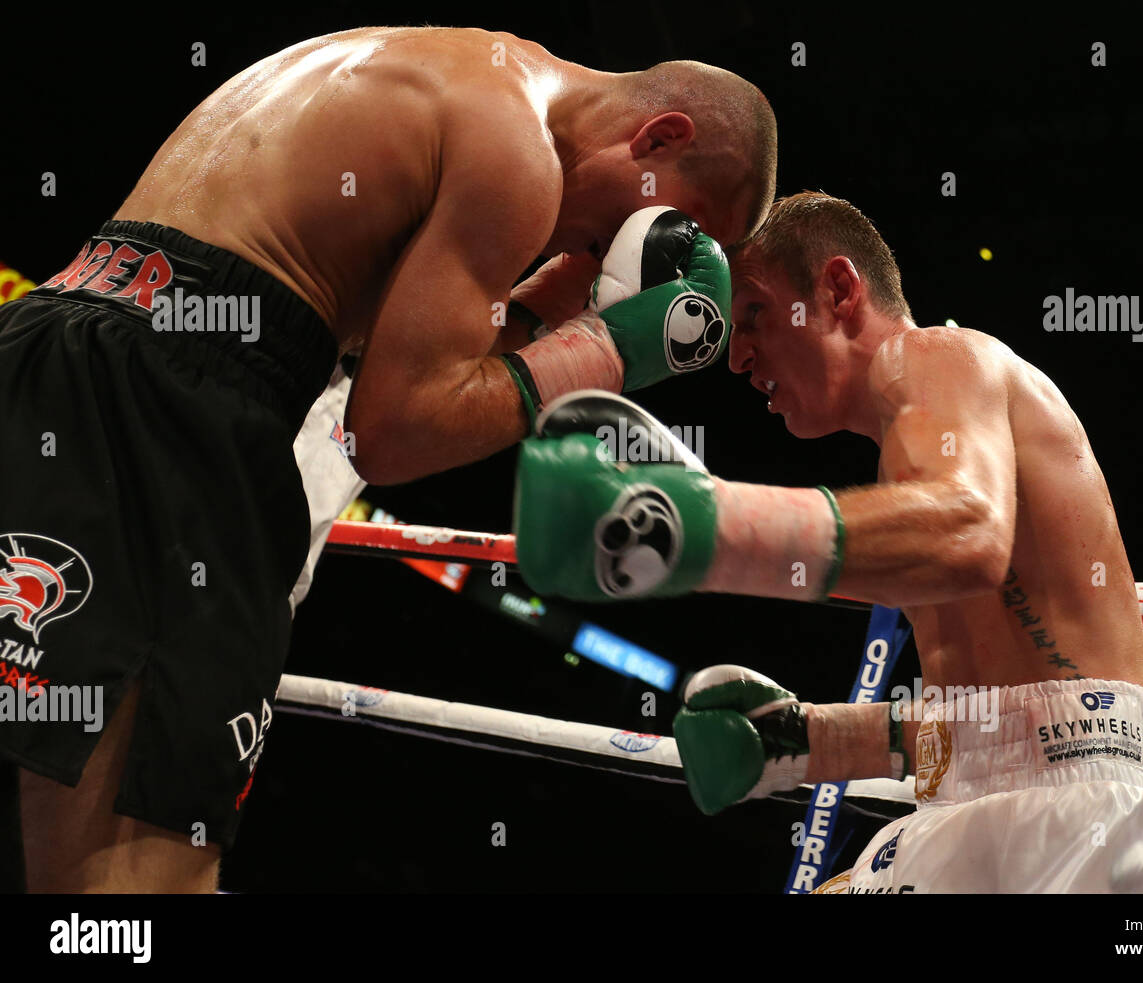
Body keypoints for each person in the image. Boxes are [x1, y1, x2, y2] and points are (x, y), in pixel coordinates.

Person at [0, 25, 776, 892]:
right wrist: (608, 352)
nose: (616, 252)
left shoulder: (458, 71)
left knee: (58, 811)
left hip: (60, 347)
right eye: (654, 221)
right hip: (179, 413)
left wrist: (555, 302)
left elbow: (382, 351)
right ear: (658, 137)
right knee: (140, 864)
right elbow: (393, 431)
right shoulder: (520, 152)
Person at [512, 191, 1143, 892]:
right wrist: (809, 741)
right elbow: (1000, 721)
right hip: (1002, 804)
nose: (738, 358)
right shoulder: (916, 471)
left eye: (754, 315)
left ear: (838, 288)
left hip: (1070, 815)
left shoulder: (940, 355)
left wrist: (700, 519)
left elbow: (973, 534)